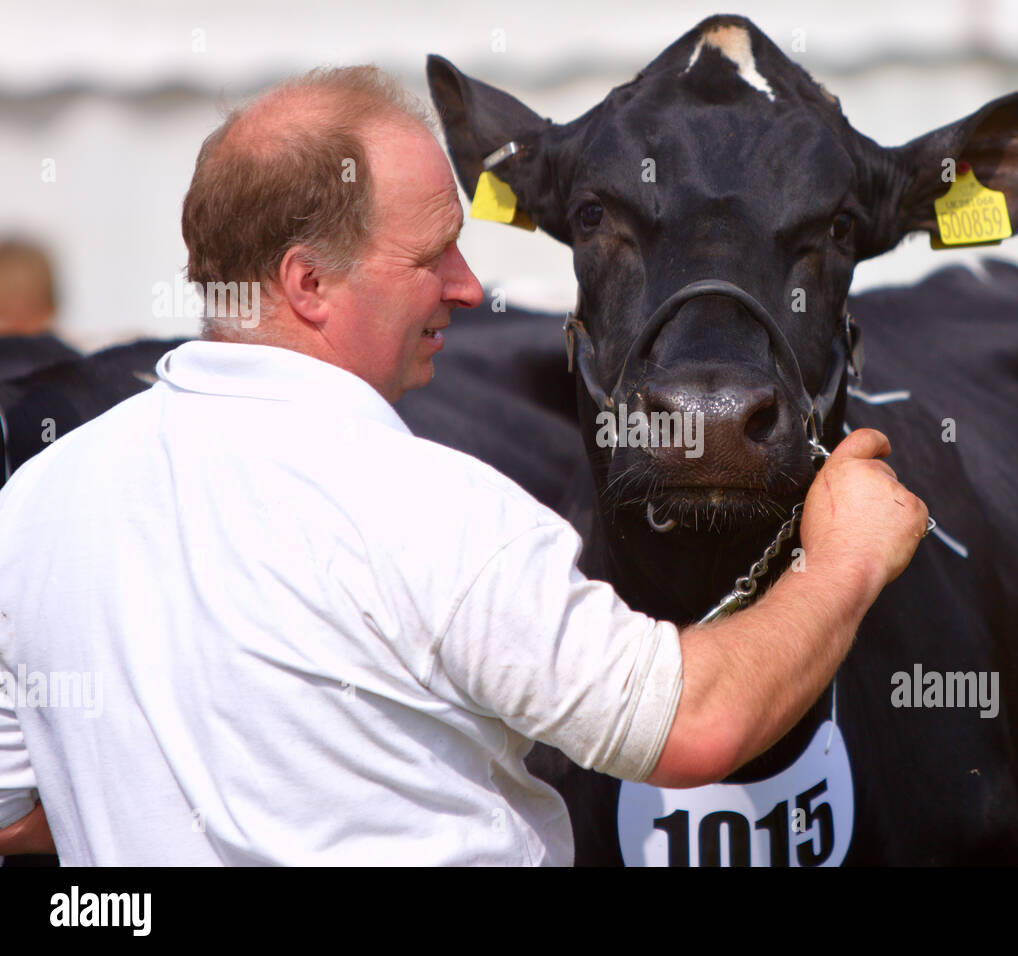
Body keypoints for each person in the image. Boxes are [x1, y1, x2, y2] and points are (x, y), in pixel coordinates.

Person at [0, 66, 928, 865]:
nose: (470, 286)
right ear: (307, 284)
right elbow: (696, 725)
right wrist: (842, 561)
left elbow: (16, 818)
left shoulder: (35, 503)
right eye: (428, 254)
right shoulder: (437, 516)